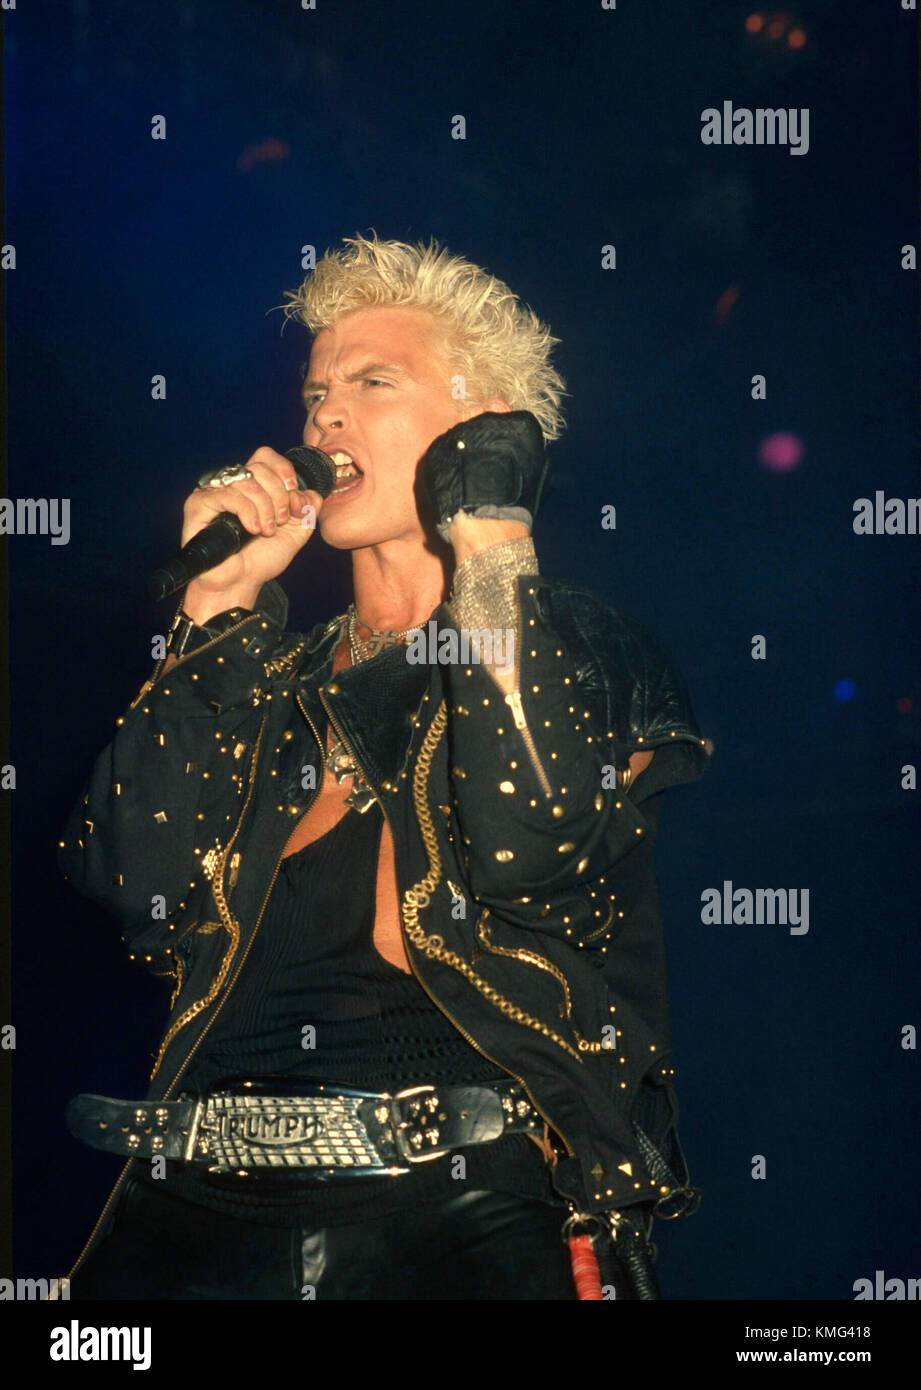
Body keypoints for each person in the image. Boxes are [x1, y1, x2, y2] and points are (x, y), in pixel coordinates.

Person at [55, 232, 710, 1300]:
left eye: (371, 381)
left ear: (479, 422)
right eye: (315, 393)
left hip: (455, 1208)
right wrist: (215, 618)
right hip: (190, 1208)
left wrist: (492, 537)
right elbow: (133, 881)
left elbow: (525, 846)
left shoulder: (586, 650)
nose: (323, 419)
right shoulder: (271, 679)